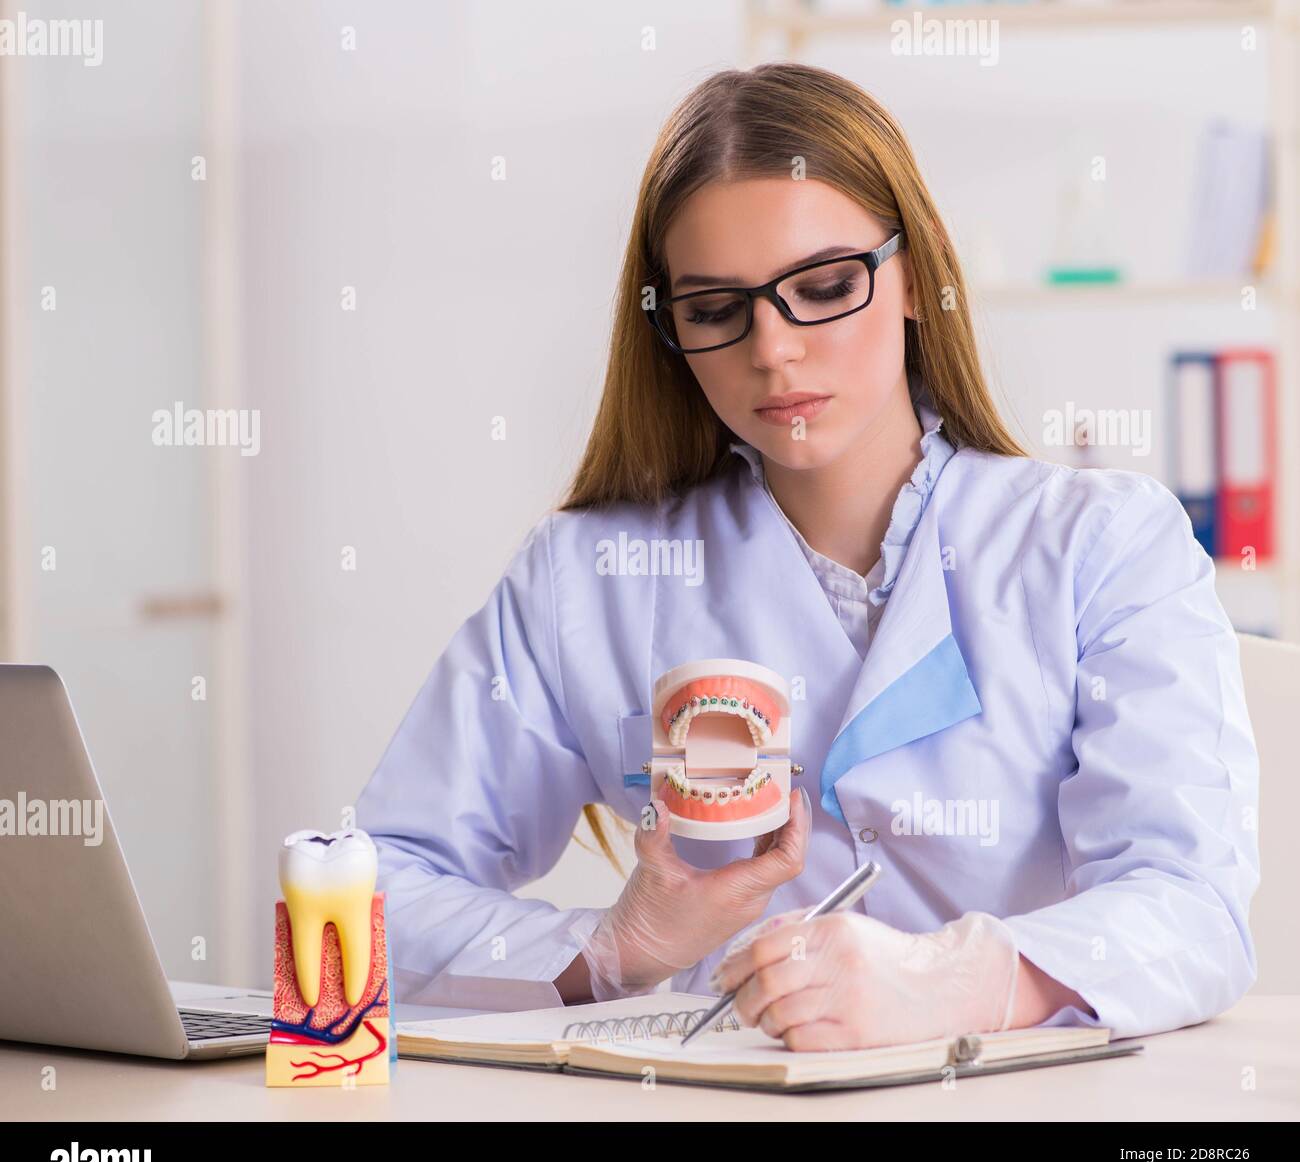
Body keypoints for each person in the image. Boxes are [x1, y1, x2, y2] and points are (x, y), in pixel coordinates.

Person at [355, 63, 1259, 1050]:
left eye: (823, 287)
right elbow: (363, 899)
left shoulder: (1100, 545)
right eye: (713, 309)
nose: (772, 349)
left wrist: (953, 984)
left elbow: (1189, 907)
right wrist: (611, 950)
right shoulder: (589, 576)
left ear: (914, 278)